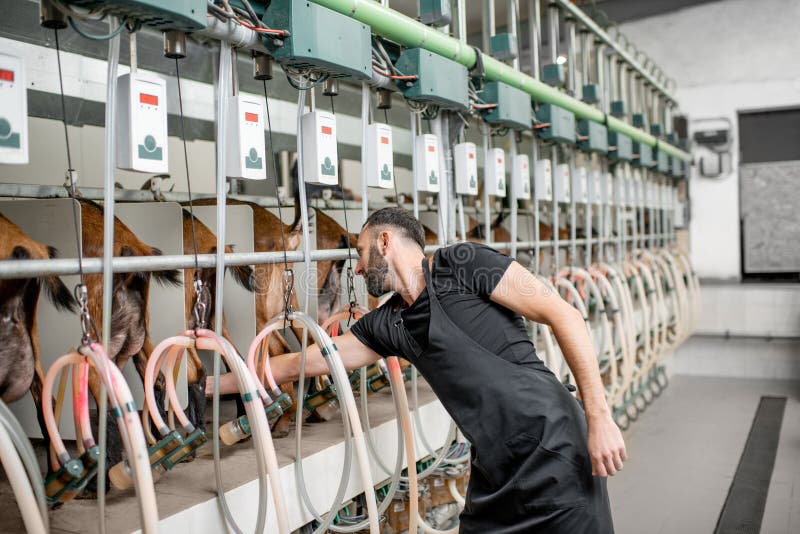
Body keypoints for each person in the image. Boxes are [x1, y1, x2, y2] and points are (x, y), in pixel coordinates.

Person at [209, 207, 624, 532]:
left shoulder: (465, 262)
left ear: (384, 240)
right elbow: (305, 362)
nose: (354, 268)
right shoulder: (387, 323)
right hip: (496, 469)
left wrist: (599, 416)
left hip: (554, 449)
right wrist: (208, 387)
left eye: (359, 252)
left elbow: (565, 315)